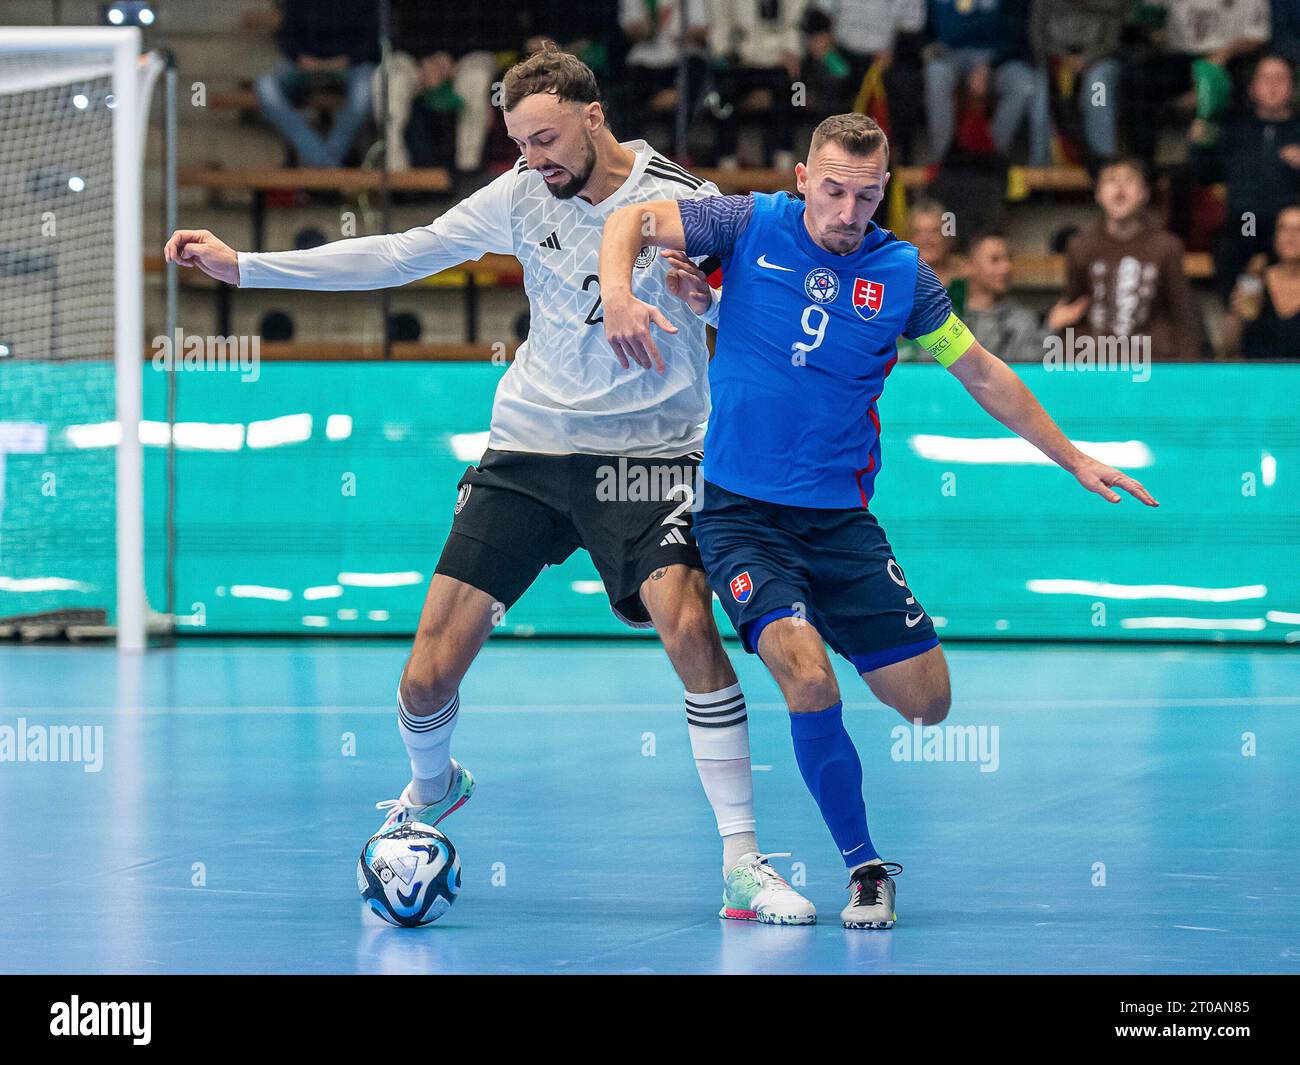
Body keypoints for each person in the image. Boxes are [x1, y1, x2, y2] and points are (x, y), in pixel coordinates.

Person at [165, 44, 814, 926]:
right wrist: (249, 267)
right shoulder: (518, 193)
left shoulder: (684, 200)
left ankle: (742, 860)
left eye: (546, 139)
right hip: (530, 446)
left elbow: (761, 320)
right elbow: (405, 252)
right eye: (519, 141)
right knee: (427, 676)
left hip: (653, 450)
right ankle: (435, 786)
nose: (533, 159)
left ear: (594, 115)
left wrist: (706, 304)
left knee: (690, 626)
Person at [598, 112, 1157, 928]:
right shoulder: (748, 222)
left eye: (865, 196)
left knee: (929, 702)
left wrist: (1071, 456)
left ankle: (816, 607)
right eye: (832, 191)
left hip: (840, 524)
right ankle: (864, 866)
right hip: (743, 517)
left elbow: (980, 369)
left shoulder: (904, 277)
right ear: (803, 180)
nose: (846, 211)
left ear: (884, 191)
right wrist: (620, 288)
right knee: (809, 675)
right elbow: (630, 218)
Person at [1051, 157, 1205, 359]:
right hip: (1095, 361)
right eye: (1111, 180)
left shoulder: (1167, 246)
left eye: (1129, 180)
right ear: (1098, 194)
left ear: (1144, 193)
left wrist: (1184, 371)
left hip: (1153, 362)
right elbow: (1073, 309)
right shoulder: (1080, 246)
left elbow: (1183, 314)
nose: (1120, 188)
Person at [1192, 53, 1300, 304]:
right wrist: (1199, 144)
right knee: (1239, 249)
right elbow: (1205, 176)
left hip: (1292, 228)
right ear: (1252, 89)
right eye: (1265, 78)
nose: (1273, 85)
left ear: (1292, 88)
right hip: (1245, 224)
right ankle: (1243, 325)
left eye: (1280, 78)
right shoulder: (1233, 130)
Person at [254, 0, 381, 168]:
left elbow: (373, 41)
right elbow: (287, 38)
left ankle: (323, 164)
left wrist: (346, 60)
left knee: (366, 92)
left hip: (352, 64)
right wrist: (301, 58)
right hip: (304, 64)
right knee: (265, 87)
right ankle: (326, 163)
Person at [1221, 203, 1300, 358]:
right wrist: (1236, 316)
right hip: (1257, 377)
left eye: (1299, 230)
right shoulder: (1254, 281)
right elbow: (1228, 348)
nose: (1291, 236)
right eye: (1283, 229)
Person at [962, 231, 1046, 362]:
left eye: (1009, 259)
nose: (1006, 267)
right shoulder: (945, 316)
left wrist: (1050, 328)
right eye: (995, 260)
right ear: (969, 266)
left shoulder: (1024, 320)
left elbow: (1027, 372)